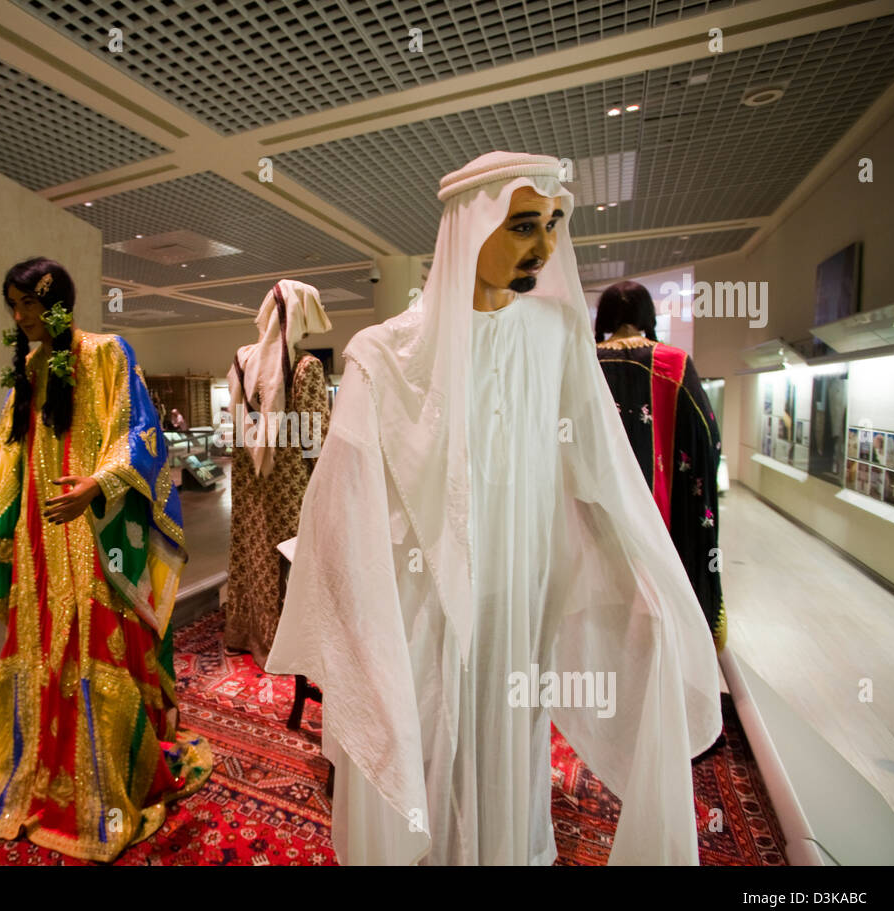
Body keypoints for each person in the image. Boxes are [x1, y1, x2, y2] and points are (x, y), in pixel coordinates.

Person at [266, 152, 722, 866]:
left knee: (507, 747)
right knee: (428, 741)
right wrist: (364, 636)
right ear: (467, 226)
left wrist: (644, 581)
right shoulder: (383, 355)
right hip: (422, 605)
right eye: (522, 226)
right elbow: (343, 514)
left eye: (552, 225)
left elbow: (601, 473)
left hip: (519, 600)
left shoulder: (559, 335)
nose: (543, 246)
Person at [0, 257, 211, 862]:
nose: (19, 317)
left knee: (96, 641)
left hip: (92, 527)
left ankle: (103, 782)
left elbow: (139, 434)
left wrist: (100, 484)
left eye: (27, 305)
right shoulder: (32, 368)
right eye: (12, 306)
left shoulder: (109, 354)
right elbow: (8, 451)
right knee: (40, 641)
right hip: (41, 531)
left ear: (54, 303)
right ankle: (37, 768)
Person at [594, 281, 726, 649]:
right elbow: (706, 440)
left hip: (596, 514)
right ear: (646, 316)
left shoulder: (586, 360)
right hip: (661, 521)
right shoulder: (674, 363)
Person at [223, 280, 332, 668]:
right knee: (288, 557)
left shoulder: (242, 361)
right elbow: (316, 438)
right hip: (288, 486)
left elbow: (234, 427)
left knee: (250, 550)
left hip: (248, 483)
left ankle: (243, 631)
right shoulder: (307, 367)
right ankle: (284, 644)